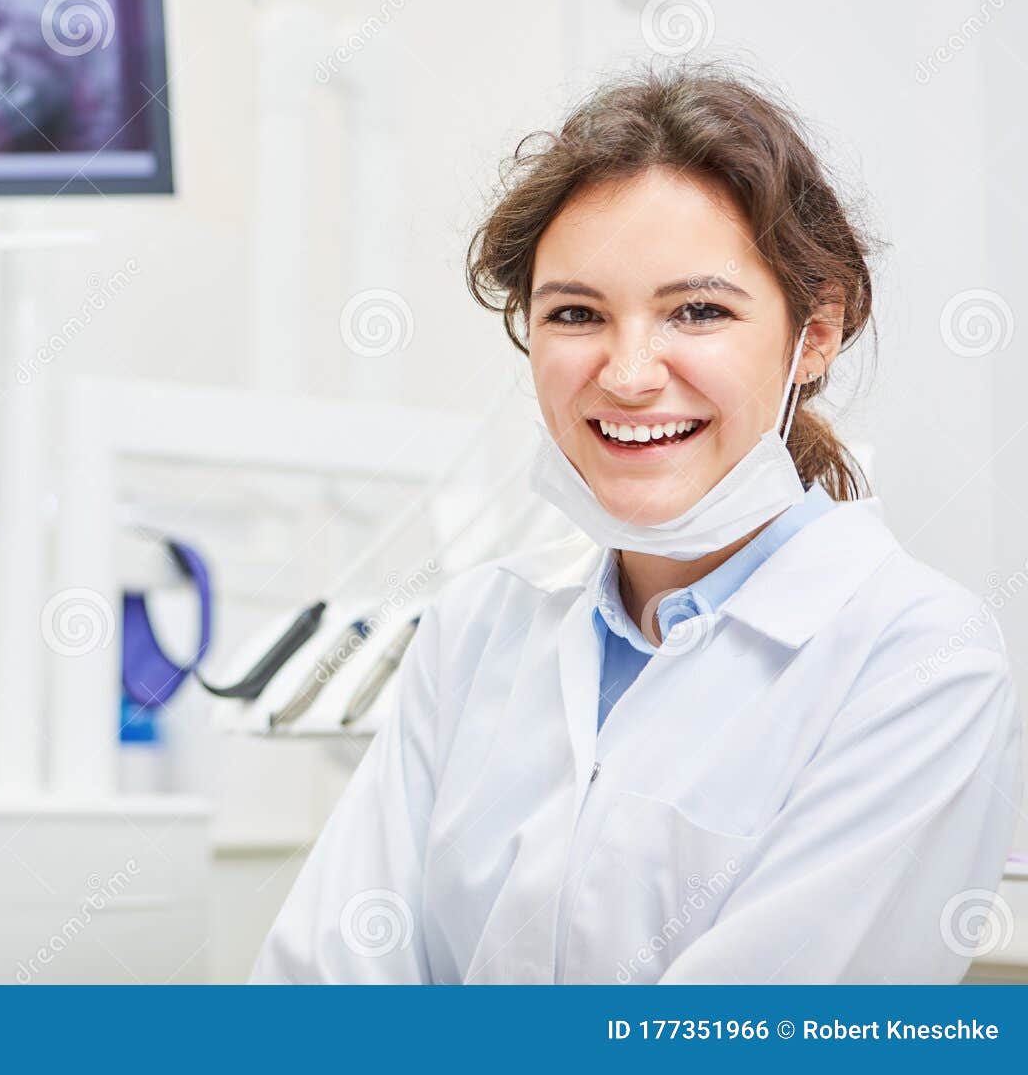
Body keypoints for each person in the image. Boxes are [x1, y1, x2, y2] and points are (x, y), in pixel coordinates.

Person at [250, 65, 1023, 984]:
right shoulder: (475, 634)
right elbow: (321, 985)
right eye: (576, 313)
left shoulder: (917, 658)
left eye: (697, 310)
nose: (627, 373)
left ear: (814, 333)